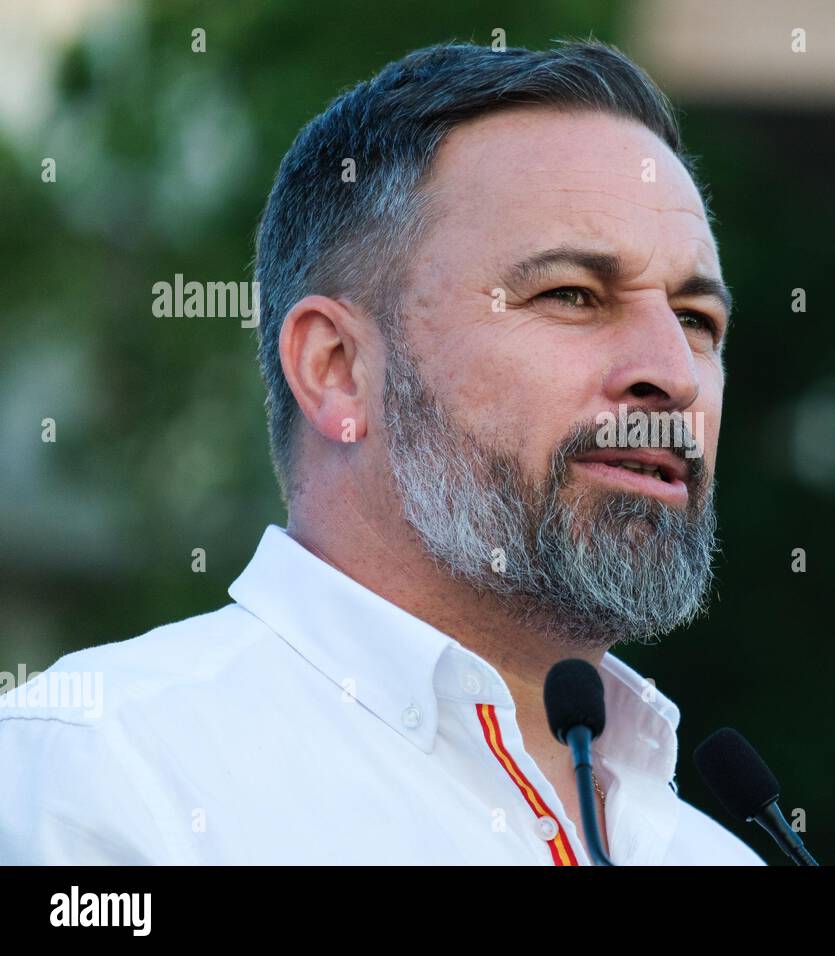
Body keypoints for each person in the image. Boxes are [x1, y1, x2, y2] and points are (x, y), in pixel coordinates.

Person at [0, 39, 762, 865]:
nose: (673, 376)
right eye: (572, 295)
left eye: (696, 320)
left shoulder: (725, 854)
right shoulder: (98, 773)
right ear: (337, 370)